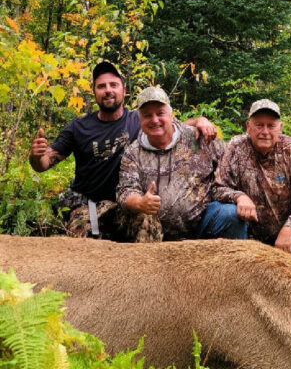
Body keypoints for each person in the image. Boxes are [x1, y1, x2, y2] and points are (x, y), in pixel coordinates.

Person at [29, 61, 216, 238]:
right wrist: (37, 156)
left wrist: (199, 121)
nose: (108, 90)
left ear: (123, 90)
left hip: (128, 203)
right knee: (86, 239)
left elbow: (169, 126)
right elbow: (43, 164)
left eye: (113, 85)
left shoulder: (139, 120)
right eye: (101, 86)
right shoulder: (79, 127)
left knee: (148, 225)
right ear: (94, 92)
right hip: (89, 204)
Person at [214, 99, 291, 276]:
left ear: (280, 128)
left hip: (290, 239)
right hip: (250, 239)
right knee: (228, 214)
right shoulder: (236, 147)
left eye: (271, 126)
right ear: (248, 126)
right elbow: (218, 188)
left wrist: (290, 227)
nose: (265, 132)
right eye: (259, 125)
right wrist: (239, 197)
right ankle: (232, 277)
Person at [116, 87, 247, 242]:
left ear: (171, 115)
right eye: (147, 115)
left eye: (160, 113)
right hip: (157, 234)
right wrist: (140, 202)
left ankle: (237, 257)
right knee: (137, 218)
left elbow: (232, 165)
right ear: (140, 120)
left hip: (203, 226)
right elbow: (125, 191)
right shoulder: (133, 153)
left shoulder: (198, 137)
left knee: (231, 214)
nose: (155, 120)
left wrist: (241, 197)